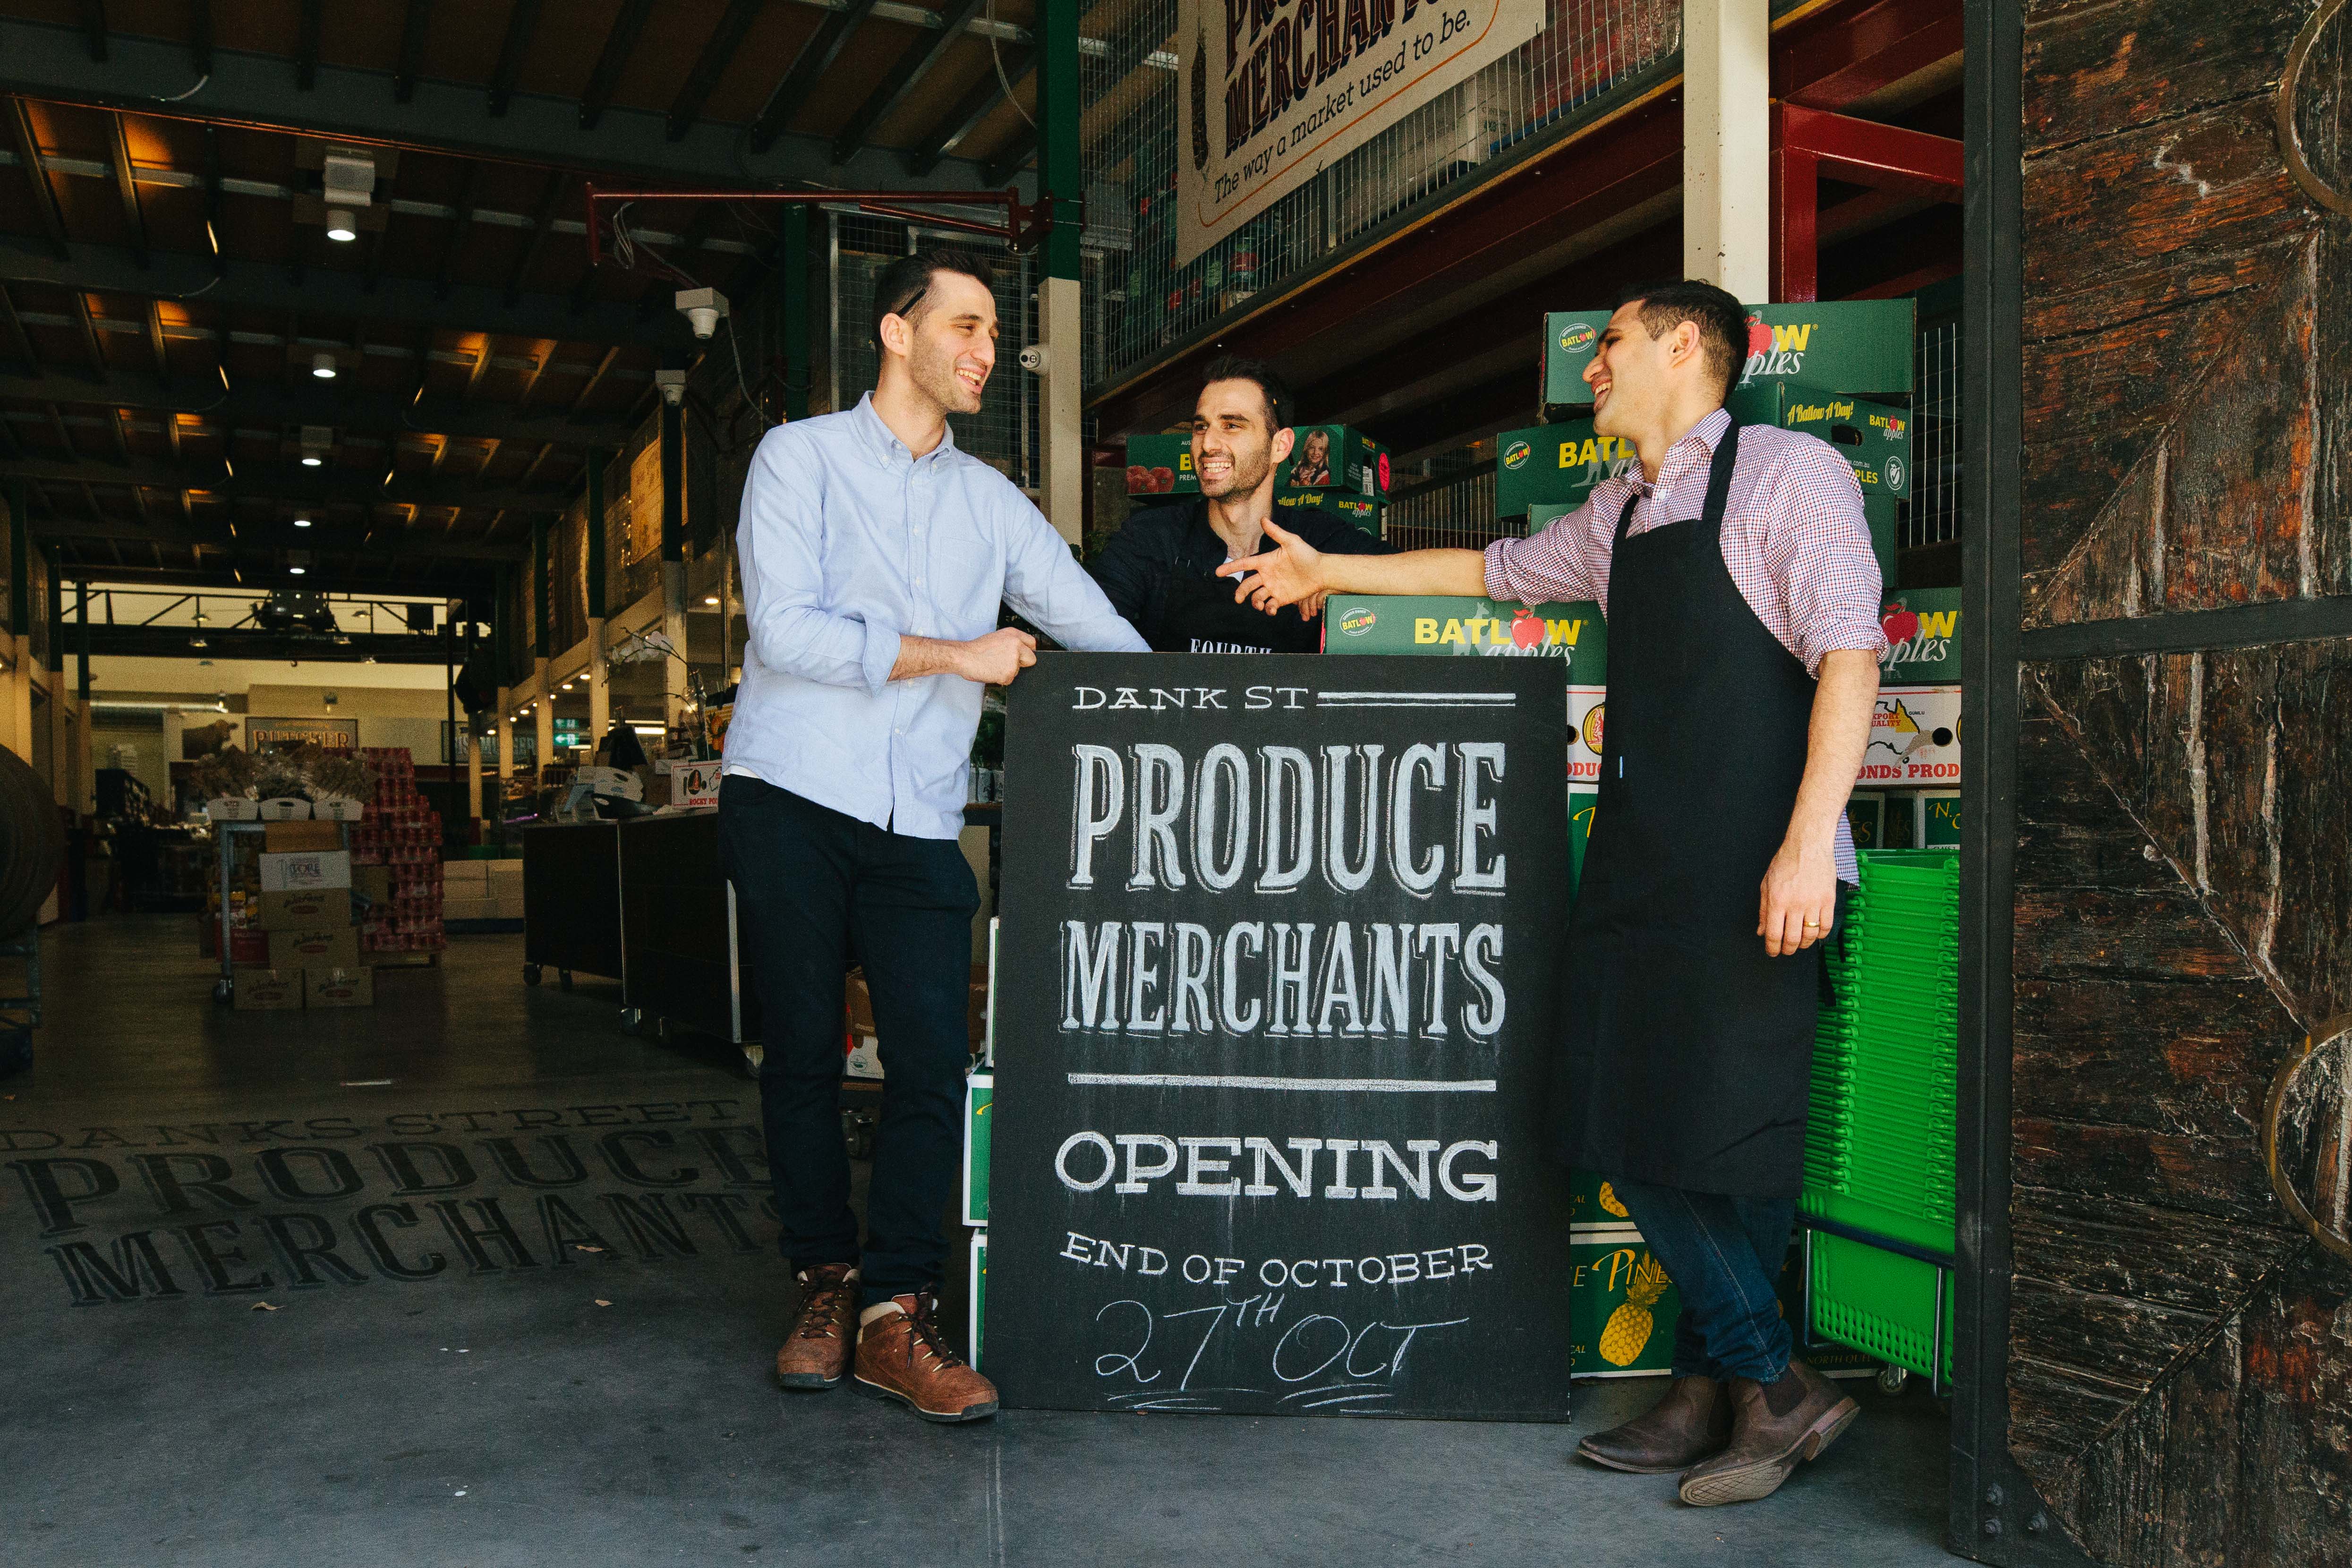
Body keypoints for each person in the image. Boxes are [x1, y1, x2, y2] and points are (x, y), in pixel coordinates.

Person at [1219, 280, 1885, 1506]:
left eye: (1613, 344)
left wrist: (1805, 844)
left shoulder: (1791, 474)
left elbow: (1849, 648)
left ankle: (1750, 1389)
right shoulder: (1624, 512)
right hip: (1644, 868)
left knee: (1724, 1141)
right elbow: (1490, 571)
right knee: (1614, 1118)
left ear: (1686, 345)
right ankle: (1745, 1385)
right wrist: (1333, 570)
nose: (1593, 365)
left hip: (1757, 868)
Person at [719, 247, 1149, 1423]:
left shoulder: (991, 503)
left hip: (916, 814)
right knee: (802, 1051)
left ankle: (892, 1310)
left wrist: (1191, 707)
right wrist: (960, 654)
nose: (986, 351)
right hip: (793, 794)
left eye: (996, 336)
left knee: (930, 1061)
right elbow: (791, 633)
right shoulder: (797, 459)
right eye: (966, 326)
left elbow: (1086, 618)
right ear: (895, 334)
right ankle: (822, 1279)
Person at [1088, 357, 1390, 653]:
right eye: (1200, 427)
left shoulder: (1319, 539)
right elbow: (1088, 633)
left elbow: (1438, 576)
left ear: (1280, 446)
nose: (1208, 444)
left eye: (1232, 425)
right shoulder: (1150, 537)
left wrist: (1329, 573)